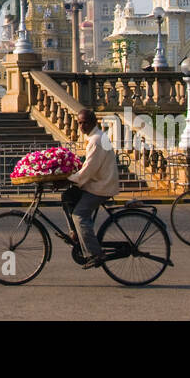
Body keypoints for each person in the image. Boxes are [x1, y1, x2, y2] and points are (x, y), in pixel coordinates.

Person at [61, 109, 120, 269]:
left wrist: (70, 179)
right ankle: (77, 235)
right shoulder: (96, 137)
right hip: (98, 181)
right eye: (79, 123)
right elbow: (89, 166)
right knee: (67, 197)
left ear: (93, 122)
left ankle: (96, 253)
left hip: (100, 186)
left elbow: (89, 169)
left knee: (79, 216)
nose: (81, 126)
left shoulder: (96, 140)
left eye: (84, 122)